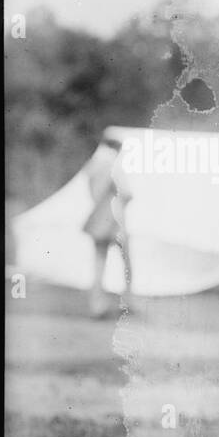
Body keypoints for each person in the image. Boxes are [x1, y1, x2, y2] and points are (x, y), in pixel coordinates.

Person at [81, 135, 133, 319]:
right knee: (126, 261)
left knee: (98, 263)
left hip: (97, 219)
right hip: (113, 220)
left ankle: (97, 306)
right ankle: (127, 302)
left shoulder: (92, 165)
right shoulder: (113, 166)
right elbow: (126, 193)